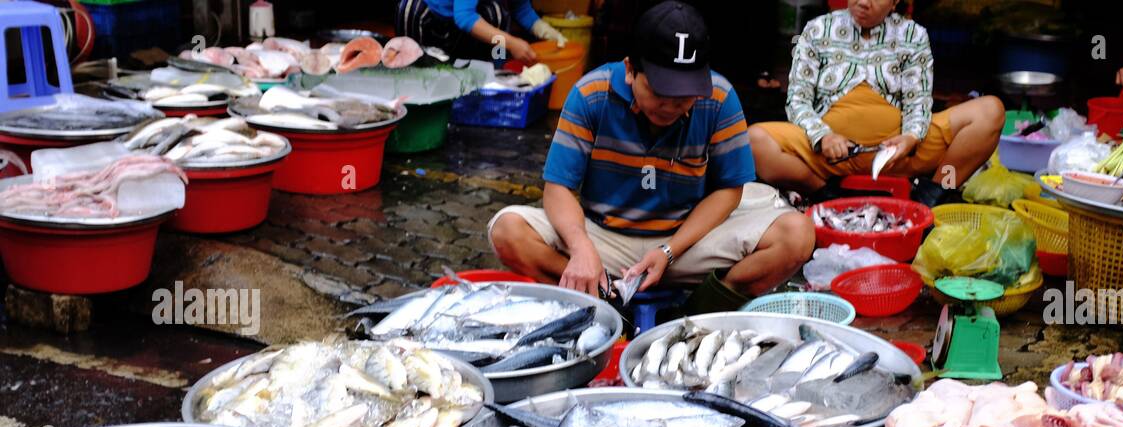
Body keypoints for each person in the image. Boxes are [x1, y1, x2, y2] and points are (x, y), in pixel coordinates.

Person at [489, 0, 815, 314]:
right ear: (630, 69)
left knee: (797, 235)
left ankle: (696, 312)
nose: (673, 105)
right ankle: (604, 300)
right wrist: (580, 248)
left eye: (685, 94)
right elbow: (557, 188)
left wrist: (669, 251)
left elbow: (729, 191)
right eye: (661, 92)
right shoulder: (591, 94)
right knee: (508, 231)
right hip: (605, 236)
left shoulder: (718, 97)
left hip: (686, 241)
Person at [748, 0, 1005, 208]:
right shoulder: (816, 30)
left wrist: (911, 137)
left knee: (990, 111)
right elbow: (797, 100)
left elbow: (918, 101)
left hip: (900, 154)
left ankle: (936, 191)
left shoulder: (913, 34)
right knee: (754, 140)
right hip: (826, 156)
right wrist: (822, 136)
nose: (863, 2)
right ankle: (824, 192)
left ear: (895, 2)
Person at [395, 0, 567, 65]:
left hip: (467, 33)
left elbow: (521, 8)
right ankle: (408, 73)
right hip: (434, 20)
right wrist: (512, 43)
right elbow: (464, 17)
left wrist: (545, 31)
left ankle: (497, 68)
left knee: (497, 13)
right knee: (409, 8)